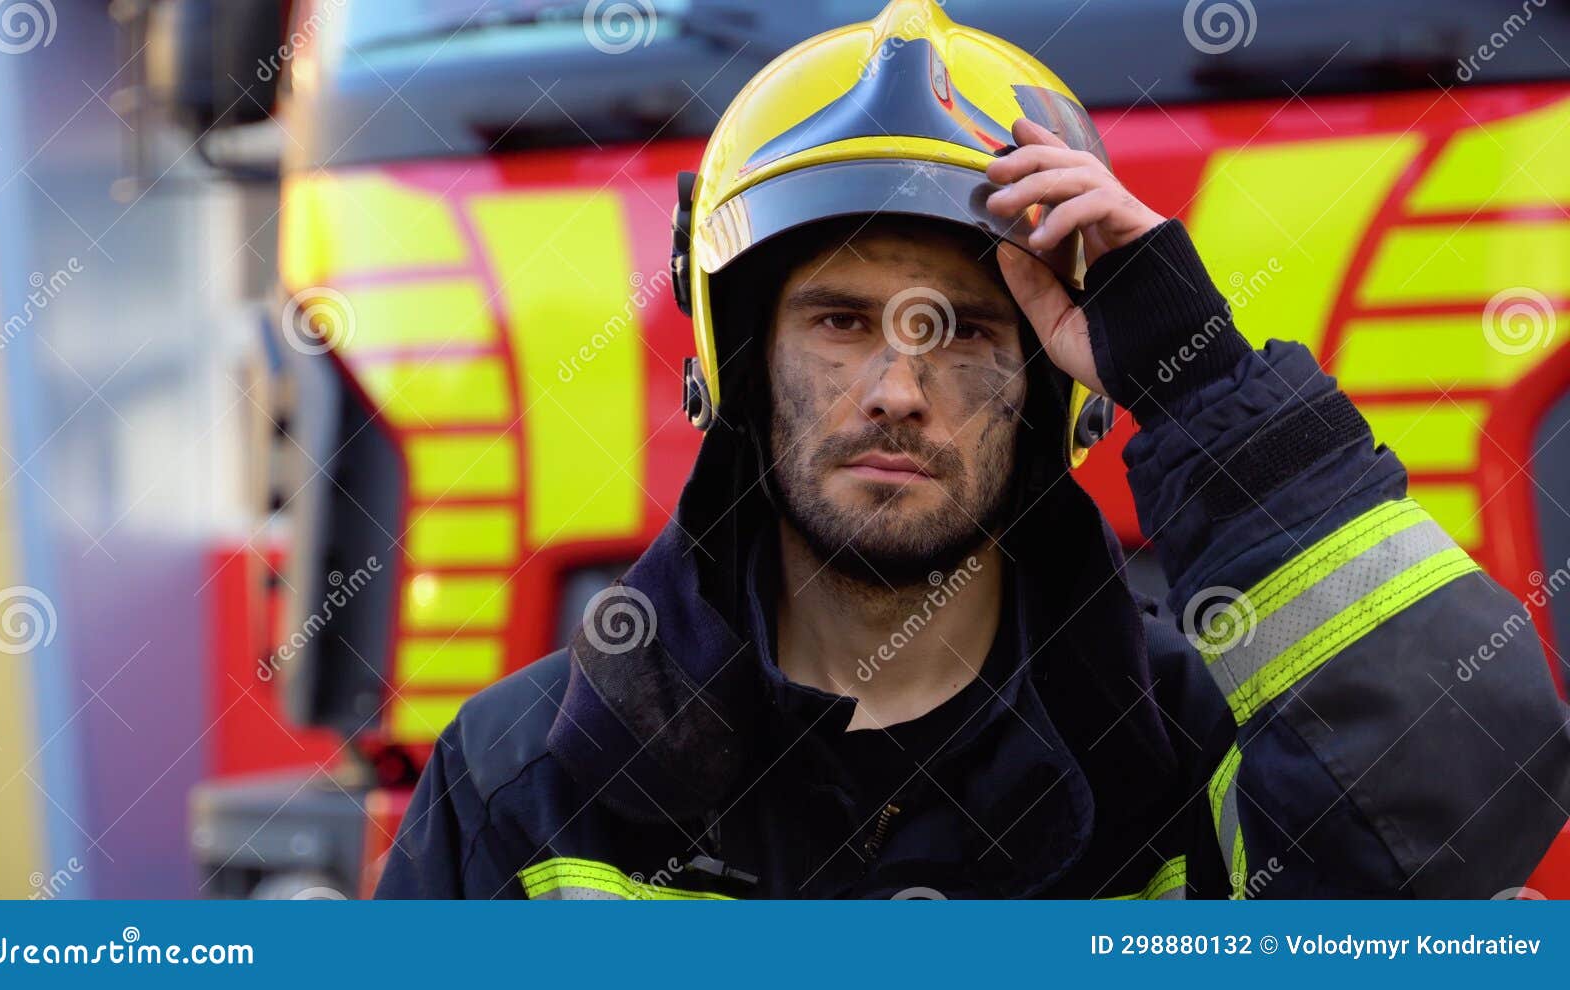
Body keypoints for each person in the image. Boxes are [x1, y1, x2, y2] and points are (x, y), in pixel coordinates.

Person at [375, 0, 1570, 899]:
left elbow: (1460, 820)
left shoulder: (1203, 766)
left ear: (1059, 391)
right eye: (841, 324)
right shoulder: (522, 783)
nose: (897, 391)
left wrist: (1201, 377)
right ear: (735, 368)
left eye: (962, 336)